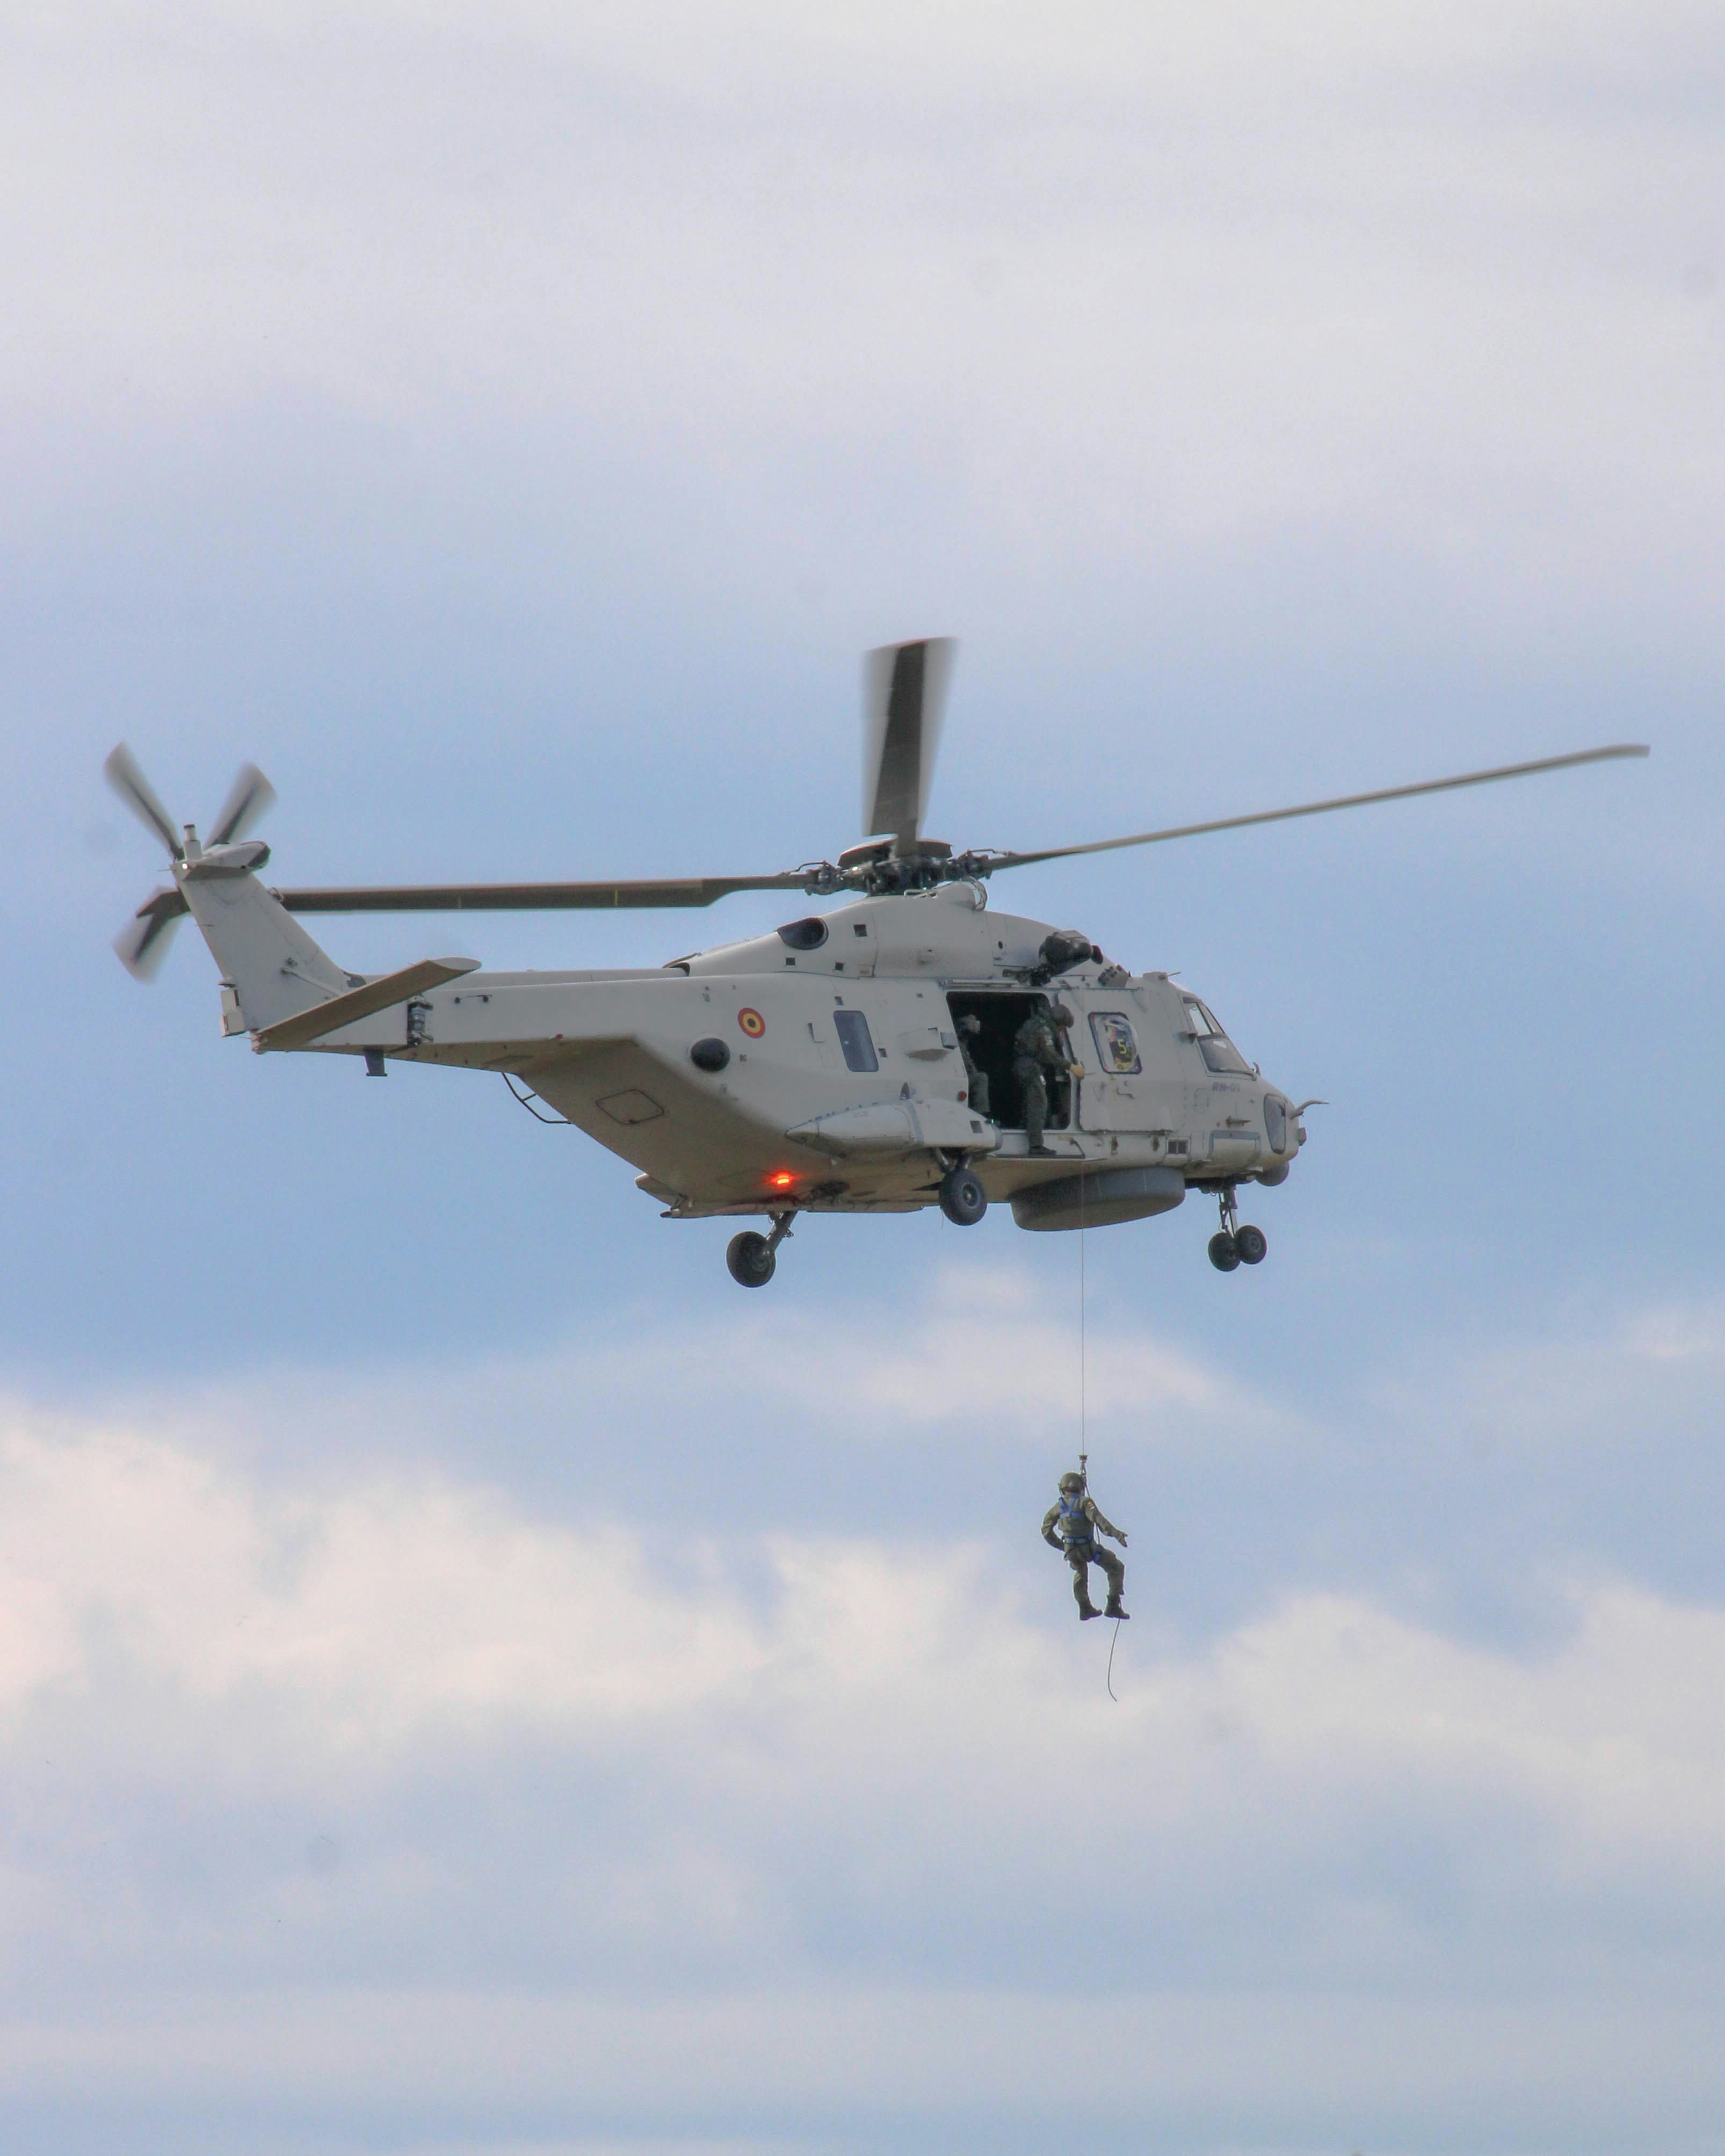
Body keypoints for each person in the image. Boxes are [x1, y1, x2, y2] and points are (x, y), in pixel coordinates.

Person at [1042, 1469, 1128, 1621]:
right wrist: (1116, 1534)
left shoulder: (1058, 1507)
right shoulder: (1085, 1503)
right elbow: (1099, 1520)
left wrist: (1062, 1546)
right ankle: (1113, 1606)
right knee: (1116, 1567)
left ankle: (1084, 1607)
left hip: (1071, 1551)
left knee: (1081, 1574)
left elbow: (1046, 1531)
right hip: (1090, 1549)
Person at [1012, 1002, 1083, 1157]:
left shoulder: (1034, 1022)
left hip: (1022, 1067)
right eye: (1063, 1027)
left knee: (1030, 1103)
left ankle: (1026, 1133)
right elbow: (1049, 1055)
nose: (1062, 1030)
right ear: (1059, 1023)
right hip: (1031, 1069)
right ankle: (1036, 1147)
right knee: (1039, 1105)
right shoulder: (1044, 1030)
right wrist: (1071, 1066)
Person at [955, 1014, 991, 1119]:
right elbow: (967, 1065)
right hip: (958, 1077)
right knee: (982, 1078)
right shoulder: (958, 1044)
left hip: (961, 1076)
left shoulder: (962, 1044)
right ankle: (981, 1113)